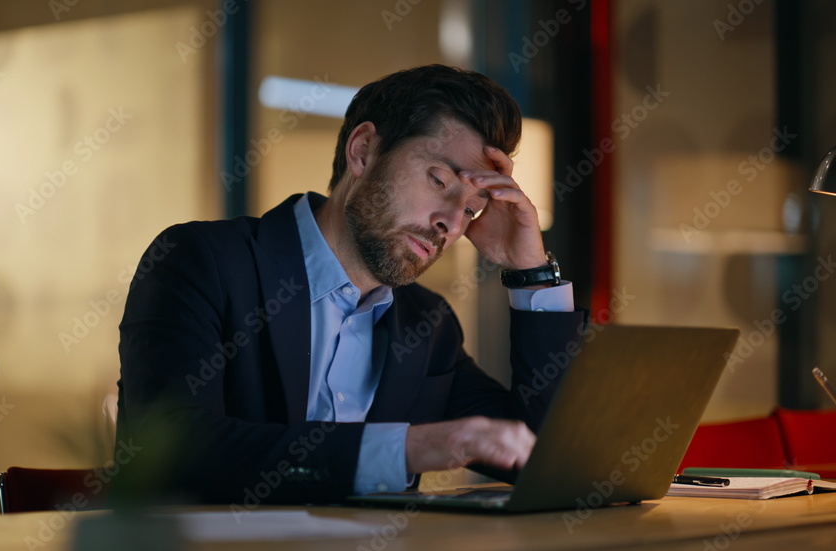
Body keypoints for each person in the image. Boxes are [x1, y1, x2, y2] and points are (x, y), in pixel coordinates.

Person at [114, 64, 586, 505]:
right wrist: (404, 449)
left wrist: (531, 274)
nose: (451, 224)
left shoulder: (428, 324)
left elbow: (549, 459)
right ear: (362, 151)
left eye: (471, 207)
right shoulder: (201, 260)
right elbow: (172, 451)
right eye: (440, 181)